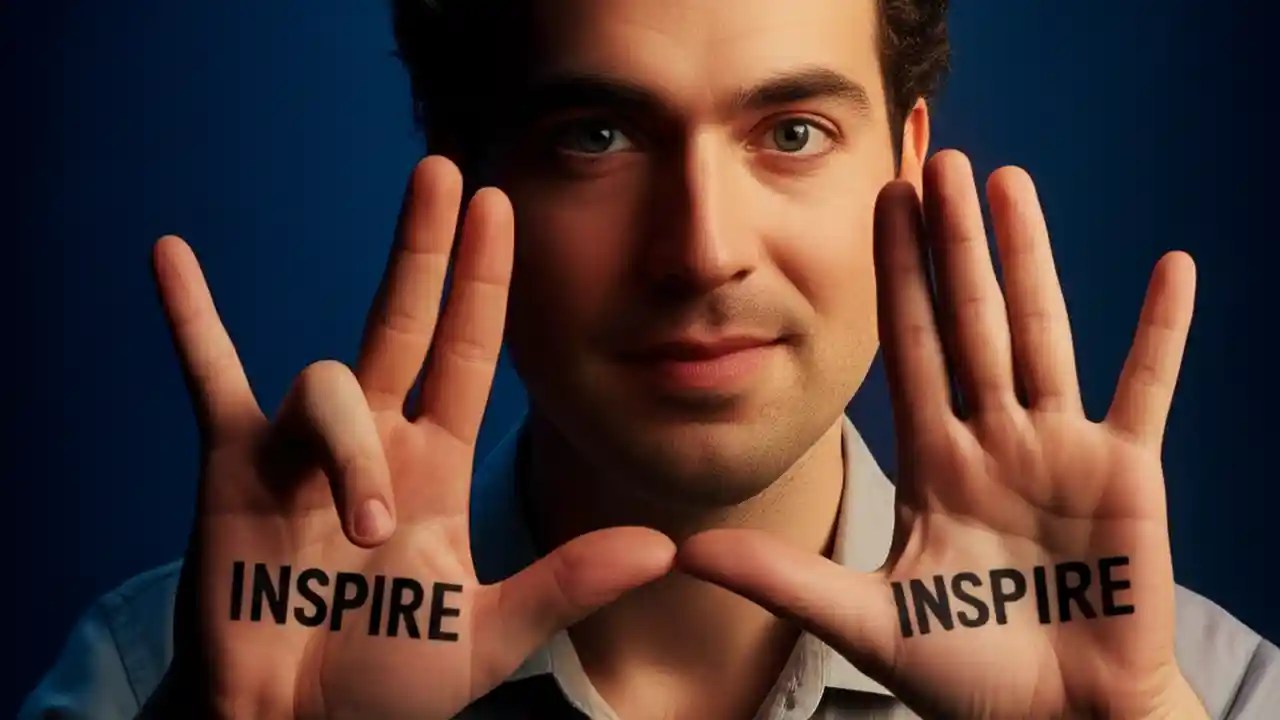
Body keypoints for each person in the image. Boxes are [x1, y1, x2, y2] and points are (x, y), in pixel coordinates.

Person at [21, 1, 1279, 718]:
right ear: (466, 175)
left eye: (789, 130)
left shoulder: (1199, 693)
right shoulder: (166, 681)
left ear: (903, 163)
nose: (700, 252)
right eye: (599, 135)